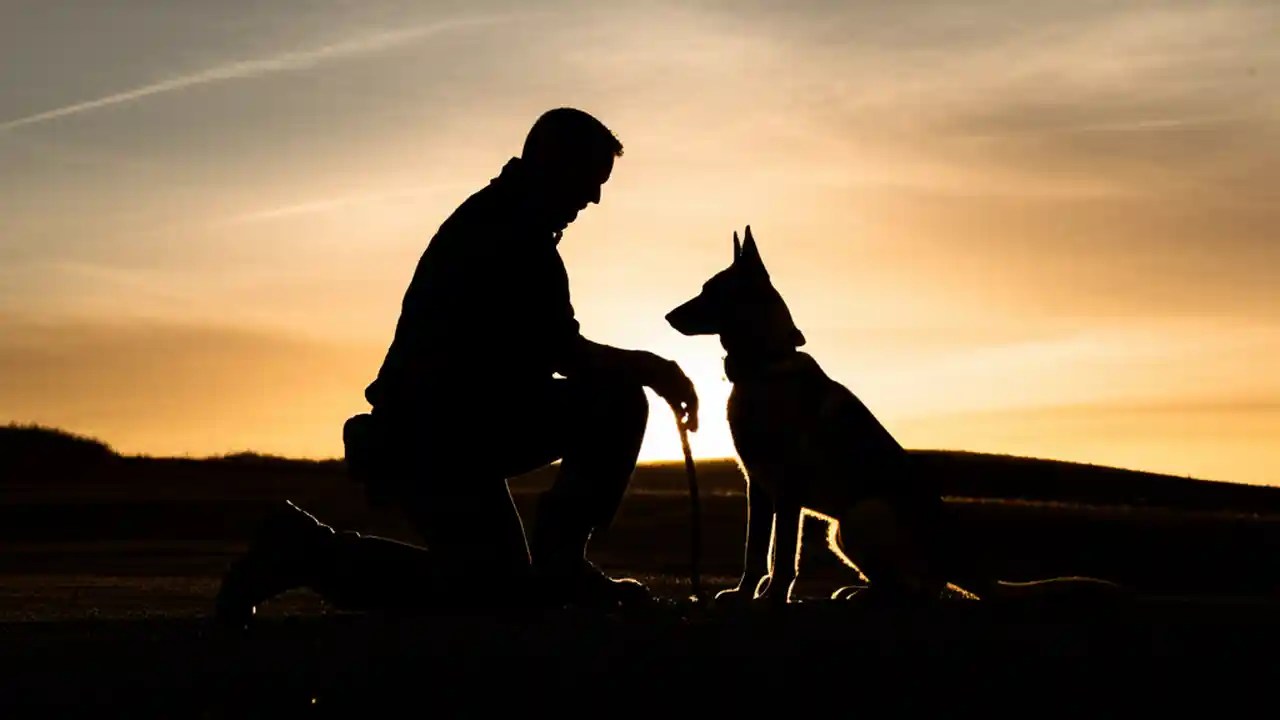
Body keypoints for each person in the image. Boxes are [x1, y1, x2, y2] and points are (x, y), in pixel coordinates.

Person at [215, 108, 699, 625]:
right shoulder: (502, 232)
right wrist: (653, 368)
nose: (594, 198)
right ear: (552, 164)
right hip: (433, 439)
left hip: (462, 435)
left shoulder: (511, 227)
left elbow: (551, 352)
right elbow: (565, 353)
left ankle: (304, 551)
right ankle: (560, 566)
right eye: (589, 180)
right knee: (616, 401)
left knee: (497, 591)